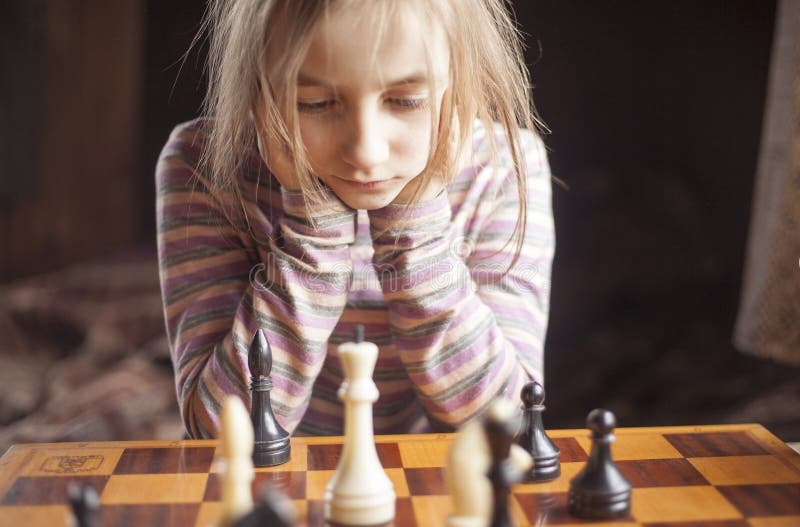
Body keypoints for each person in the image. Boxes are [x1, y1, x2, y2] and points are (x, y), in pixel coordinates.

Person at [156, 0, 555, 439]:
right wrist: (313, 228)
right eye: (315, 102)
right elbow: (215, 431)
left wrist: (415, 227)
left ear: (460, 77)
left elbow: (513, 424)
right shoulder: (203, 167)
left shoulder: (505, 170)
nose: (366, 152)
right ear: (259, 85)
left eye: (406, 100)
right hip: (272, 493)